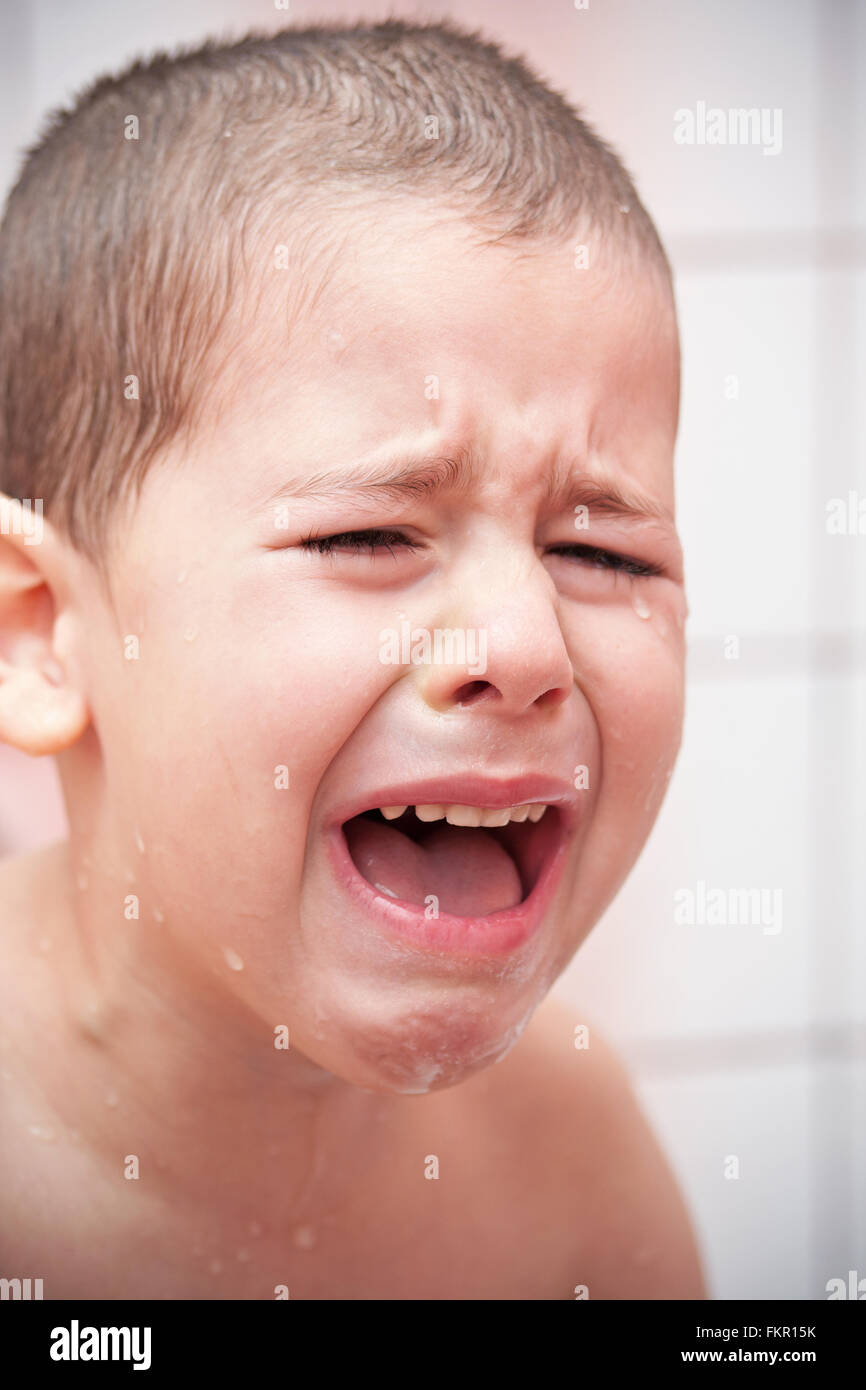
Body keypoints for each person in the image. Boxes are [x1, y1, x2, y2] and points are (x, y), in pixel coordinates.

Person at [0, 18, 705, 1299]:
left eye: (605, 556)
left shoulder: (569, 1148)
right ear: (41, 632)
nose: (524, 648)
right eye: (368, 532)